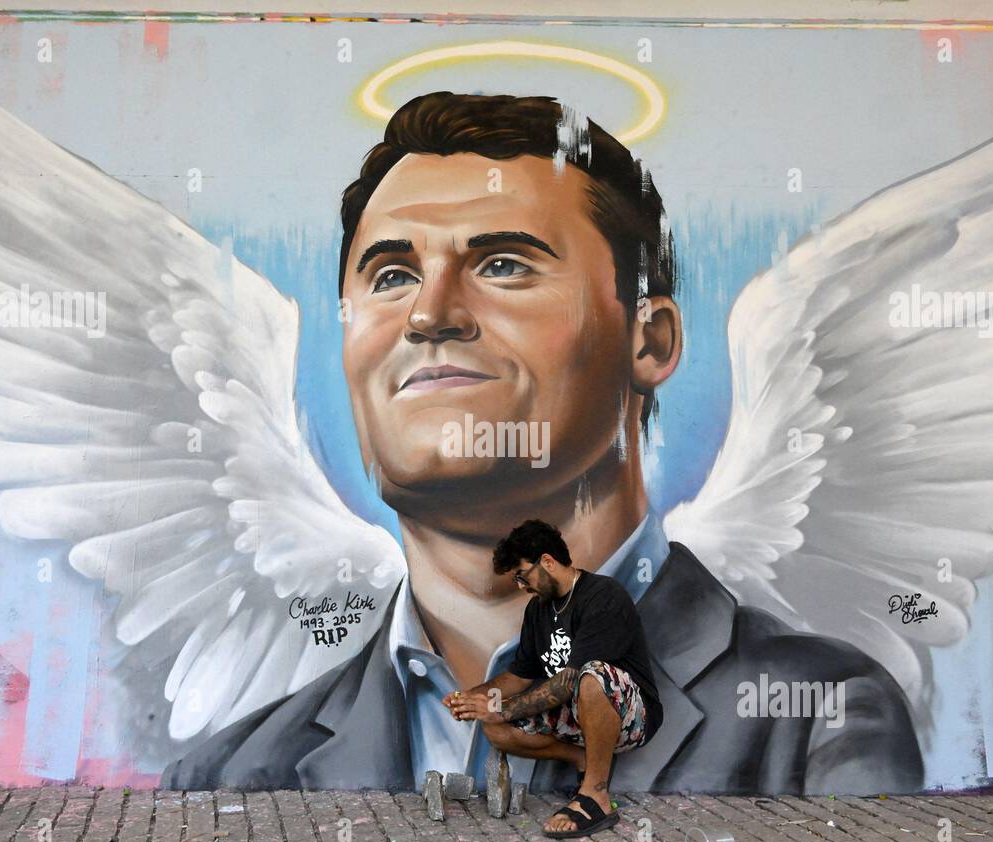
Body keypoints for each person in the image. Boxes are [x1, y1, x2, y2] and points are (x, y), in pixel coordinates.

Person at [162, 91, 923, 796]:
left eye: (502, 264)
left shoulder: (818, 722)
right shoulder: (227, 775)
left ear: (649, 340)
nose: (429, 313)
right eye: (392, 273)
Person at [445, 520, 663, 837]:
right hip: (574, 711)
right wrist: (472, 699)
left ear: (547, 561)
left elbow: (567, 683)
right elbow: (520, 676)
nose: (521, 586)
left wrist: (501, 708)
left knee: (590, 676)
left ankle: (596, 796)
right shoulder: (538, 610)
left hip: (631, 715)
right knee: (495, 725)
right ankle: (582, 759)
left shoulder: (603, 596)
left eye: (522, 576)